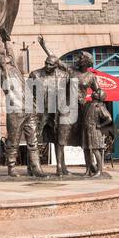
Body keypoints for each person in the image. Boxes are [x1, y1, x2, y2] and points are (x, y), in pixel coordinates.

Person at [0, 27, 41, 176]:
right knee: (13, 141)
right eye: (6, 58)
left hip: (29, 109)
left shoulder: (15, 69)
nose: (9, 57)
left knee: (33, 141)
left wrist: (7, 39)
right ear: (0, 63)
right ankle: (11, 168)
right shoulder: (3, 71)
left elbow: (9, 51)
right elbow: (0, 52)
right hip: (15, 110)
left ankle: (35, 168)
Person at [31, 36, 80, 175]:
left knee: (60, 139)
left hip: (58, 112)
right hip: (41, 112)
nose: (47, 66)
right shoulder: (35, 74)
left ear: (56, 65)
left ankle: (60, 167)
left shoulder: (64, 76)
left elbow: (72, 93)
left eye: (50, 64)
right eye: (46, 63)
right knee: (35, 138)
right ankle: (33, 167)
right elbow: (29, 95)